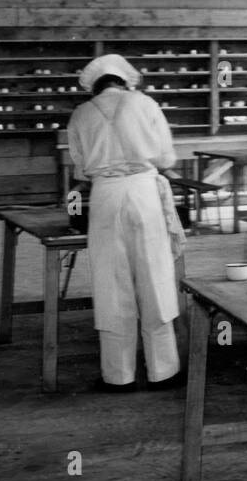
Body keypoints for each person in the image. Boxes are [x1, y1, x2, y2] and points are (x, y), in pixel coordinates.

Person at [68, 54, 186, 392]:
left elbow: (79, 168)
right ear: (125, 80)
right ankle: (163, 371)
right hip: (143, 192)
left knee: (111, 282)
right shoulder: (145, 103)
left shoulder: (81, 113)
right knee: (154, 277)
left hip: (105, 195)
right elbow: (166, 156)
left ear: (95, 85)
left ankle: (118, 376)